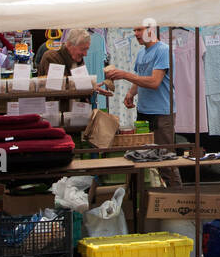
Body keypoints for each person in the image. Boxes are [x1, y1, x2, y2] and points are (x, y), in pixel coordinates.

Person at [105, 24, 181, 186]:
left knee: (166, 161)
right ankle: (153, 198)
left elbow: (154, 82)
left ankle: (178, 199)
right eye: (134, 30)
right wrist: (131, 93)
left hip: (161, 113)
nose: (136, 33)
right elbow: (141, 77)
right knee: (143, 158)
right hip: (144, 112)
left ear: (151, 30)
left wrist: (124, 74)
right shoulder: (142, 53)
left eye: (139, 30)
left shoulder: (163, 50)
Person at [39, 28, 113, 102]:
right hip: (56, 110)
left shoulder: (77, 58)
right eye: (82, 49)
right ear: (70, 45)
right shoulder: (51, 57)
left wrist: (90, 88)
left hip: (76, 110)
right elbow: (56, 87)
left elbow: (81, 83)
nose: (85, 54)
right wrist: (89, 87)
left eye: (87, 49)